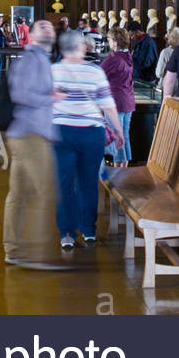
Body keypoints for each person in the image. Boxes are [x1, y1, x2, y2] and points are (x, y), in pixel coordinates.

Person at [0, 18, 68, 270]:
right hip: (31, 135)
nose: (48, 29)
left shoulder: (43, 60)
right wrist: (50, 96)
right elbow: (21, 94)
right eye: (42, 26)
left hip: (26, 133)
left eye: (50, 26)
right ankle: (38, 253)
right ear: (31, 34)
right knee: (45, 192)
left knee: (19, 194)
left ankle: (14, 249)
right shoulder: (30, 59)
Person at [51, 29, 124, 248]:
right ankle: (88, 230)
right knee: (88, 182)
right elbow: (108, 105)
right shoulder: (95, 72)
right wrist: (119, 131)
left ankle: (66, 234)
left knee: (64, 183)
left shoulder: (53, 71)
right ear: (81, 47)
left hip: (61, 132)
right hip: (91, 133)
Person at [100, 27, 135, 168]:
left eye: (109, 39)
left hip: (115, 101)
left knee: (116, 137)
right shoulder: (128, 56)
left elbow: (99, 74)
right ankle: (124, 167)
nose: (108, 42)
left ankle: (118, 172)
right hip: (128, 100)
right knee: (124, 135)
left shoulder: (113, 58)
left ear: (115, 42)